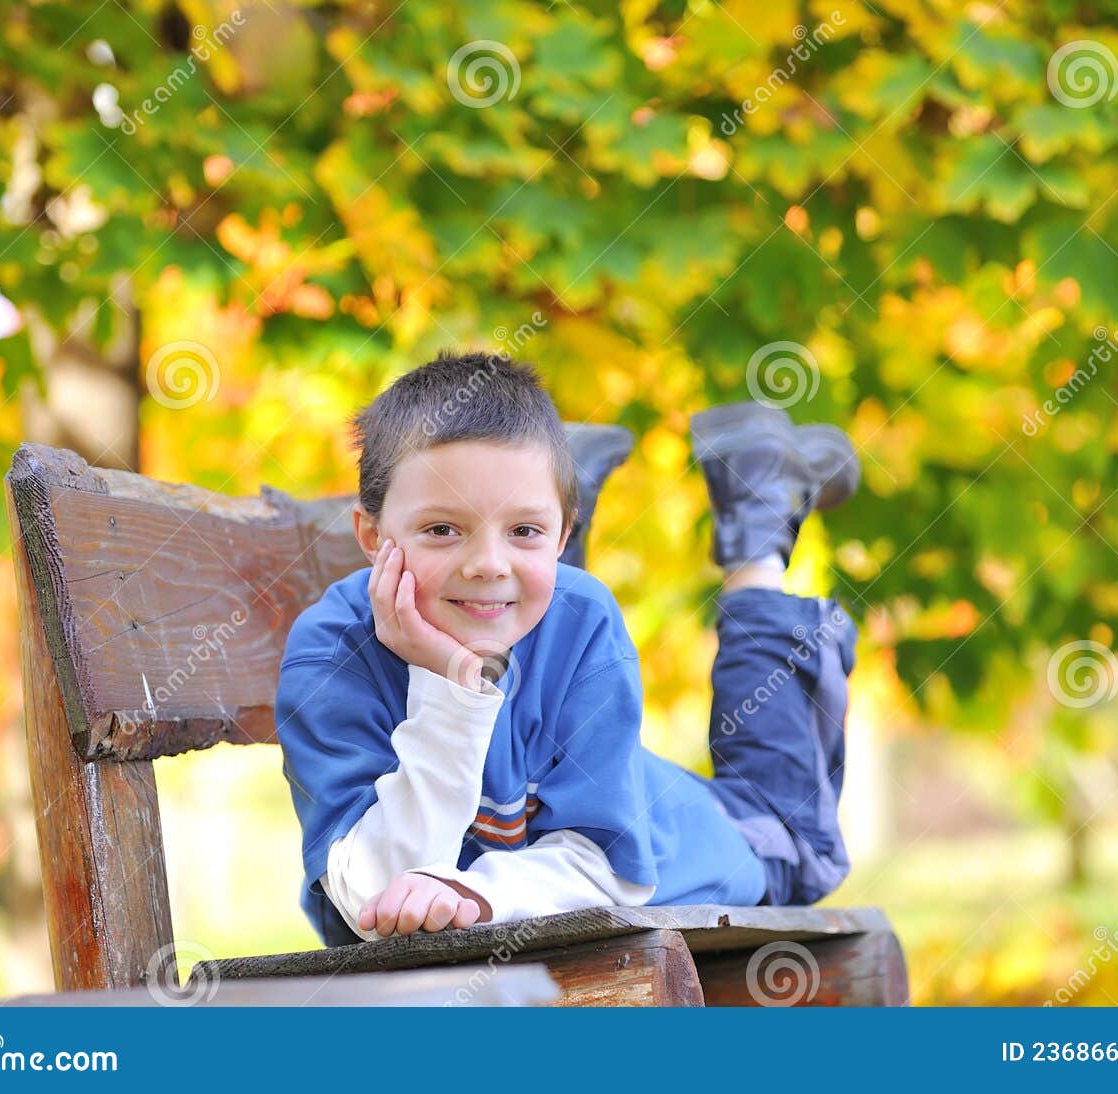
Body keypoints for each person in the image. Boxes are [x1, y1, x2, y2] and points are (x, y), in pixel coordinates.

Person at [275, 351, 860, 944]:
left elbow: (609, 870)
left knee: (796, 840)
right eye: (442, 530)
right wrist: (450, 683)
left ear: (560, 534)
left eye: (524, 529)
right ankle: (574, 484)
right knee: (528, 601)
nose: (486, 564)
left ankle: (759, 526)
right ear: (372, 535)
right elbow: (378, 902)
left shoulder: (582, 614)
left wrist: (478, 895)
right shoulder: (330, 654)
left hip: (710, 828)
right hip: (542, 849)